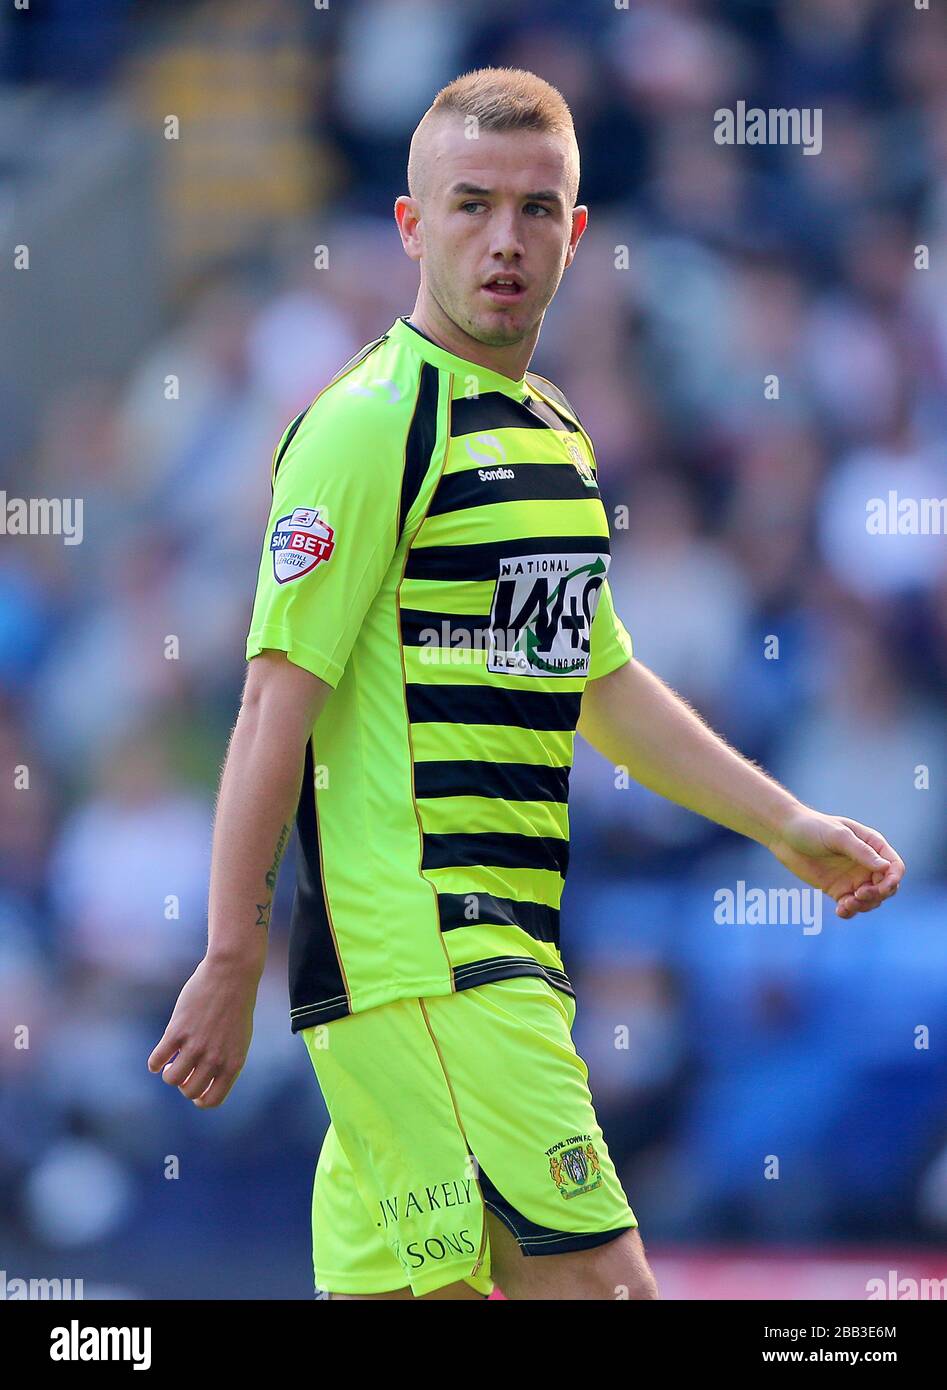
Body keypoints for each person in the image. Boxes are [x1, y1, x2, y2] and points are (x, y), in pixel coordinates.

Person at [148, 67, 905, 1301]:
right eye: (469, 206)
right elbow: (267, 710)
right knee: (606, 1292)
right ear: (410, 225)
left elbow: (601, 686)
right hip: (434, 962)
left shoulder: (552, 433)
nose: (505, 240)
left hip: (477, 972)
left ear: (576, 230)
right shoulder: (367, 425)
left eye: (535, 209)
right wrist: (230, 956)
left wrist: (786, 822)